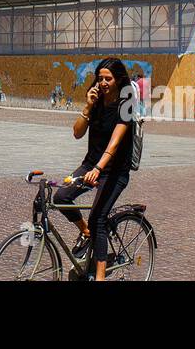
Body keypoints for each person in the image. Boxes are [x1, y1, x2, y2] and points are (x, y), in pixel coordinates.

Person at [51, 58, 136, 280]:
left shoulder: (126, 106)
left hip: (115, 171)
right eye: (100, 78)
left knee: (98, 218)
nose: (103, 82)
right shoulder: (96, 101)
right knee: (61, 196)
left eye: (108, 78)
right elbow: (77, 133)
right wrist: (88, 106)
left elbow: (115, 143)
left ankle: (99, 276)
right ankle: (85, 231)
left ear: (118, 80)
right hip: (90, 164)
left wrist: (99, 168)